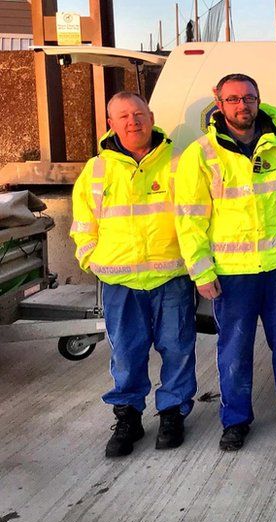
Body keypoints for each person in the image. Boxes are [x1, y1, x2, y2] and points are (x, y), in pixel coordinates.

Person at [174, 73, 276, 451]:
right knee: (234, 350)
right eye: (232, 99)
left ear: (258, 100)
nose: (241, 105)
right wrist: (201, 271)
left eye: (248, 98)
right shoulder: (201, 154)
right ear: (218, 101)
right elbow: (189, 218)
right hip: (232, 274)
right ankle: (235, 422)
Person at [70, 91, 196, 458]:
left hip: (170, 276)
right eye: (123, 116)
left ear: (152, 116)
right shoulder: (96, 169)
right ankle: (128, 417)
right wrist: (90, 259)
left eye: (138, 114)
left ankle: (173, 412)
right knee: (126, 352)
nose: (133, 121)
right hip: (119, 281)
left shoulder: (177, 163)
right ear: (110, 123)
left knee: (177, 348)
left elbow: (194, 215)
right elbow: (82, 224)